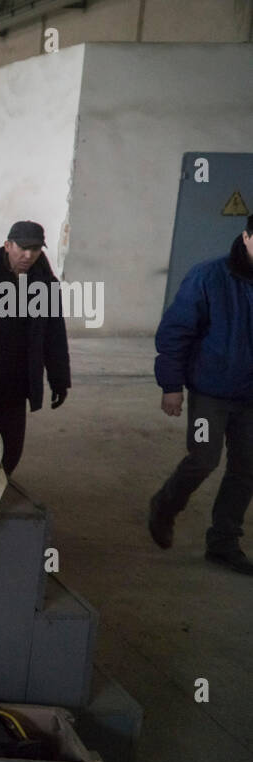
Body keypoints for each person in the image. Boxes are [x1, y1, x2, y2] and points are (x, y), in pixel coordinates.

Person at [148, 215, 253, 575]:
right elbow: (176, 331)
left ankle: (224, 543)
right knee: (204, 457)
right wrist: (171, 386)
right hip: (211, 392)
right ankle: (164, 505)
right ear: (246, 237)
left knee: (247, 469)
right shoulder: (209, 277)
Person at [0, 220, 71, 475]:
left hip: (17, 380)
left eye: (35, 249)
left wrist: (59, 379)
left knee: (9, 445)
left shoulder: (45, 285)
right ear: (8, 245)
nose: (29, 255)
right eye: (23, 247)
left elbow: (54, 334)